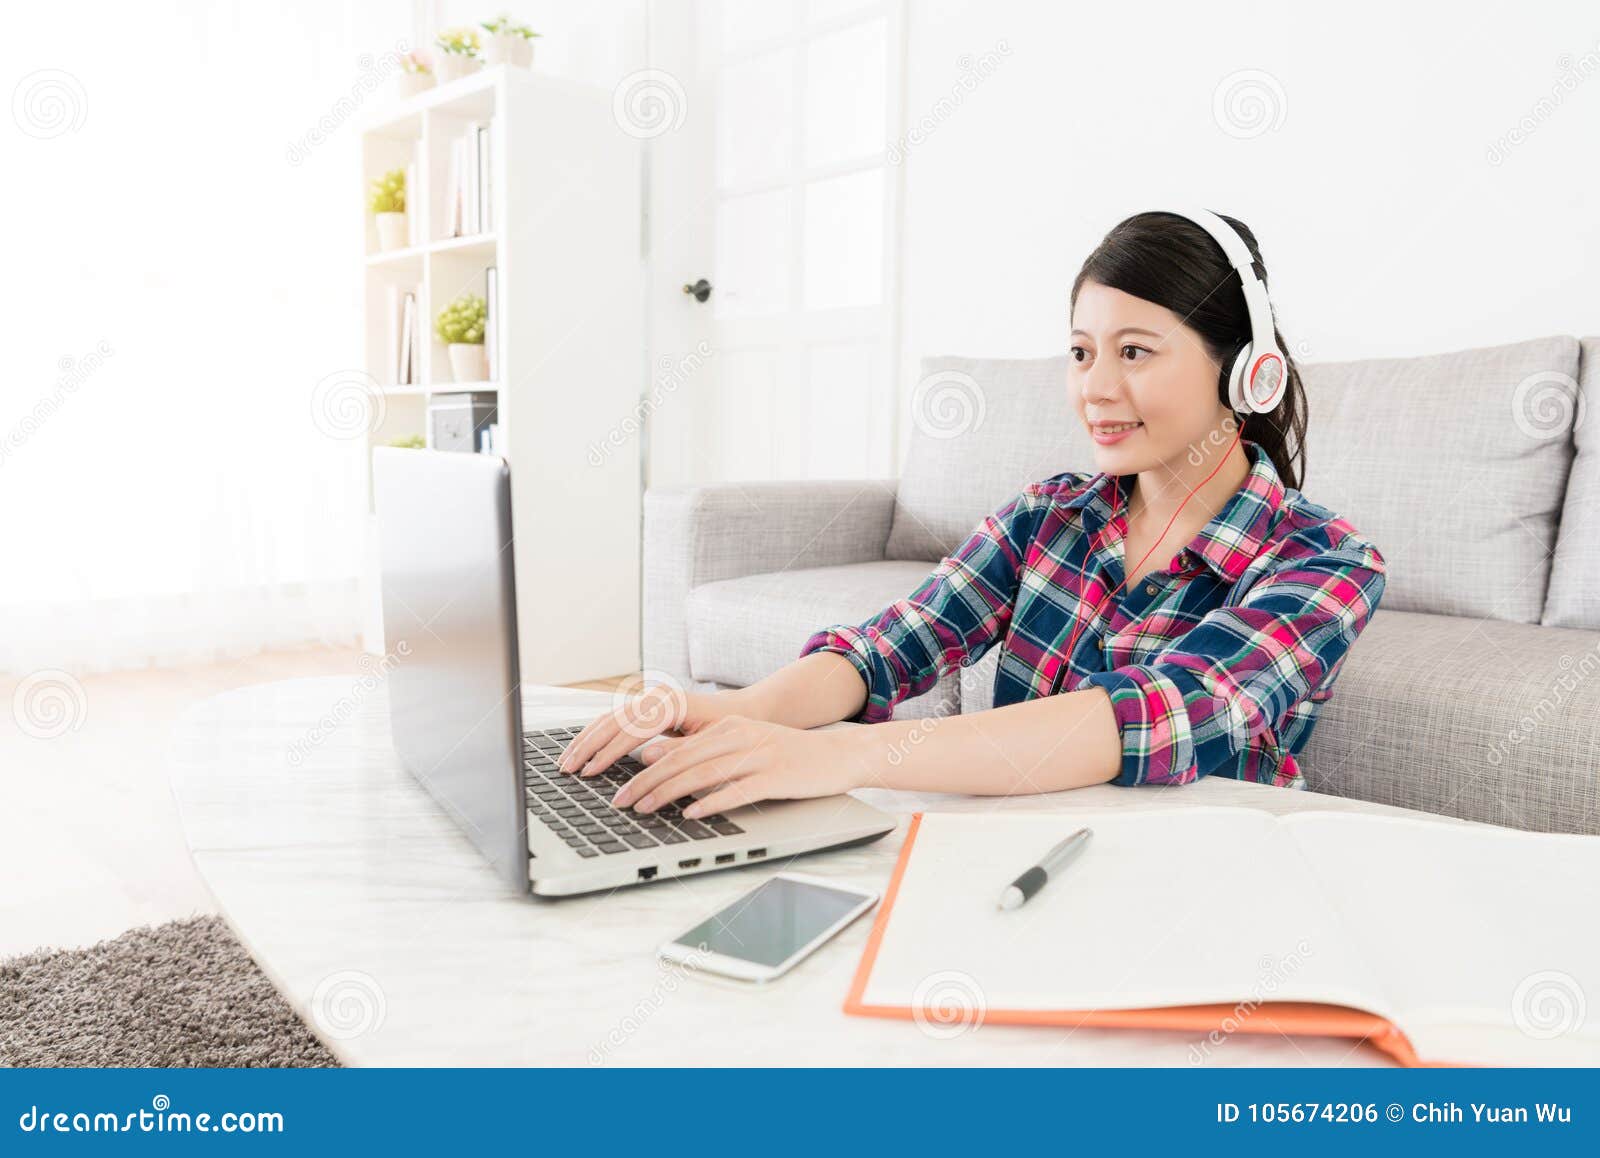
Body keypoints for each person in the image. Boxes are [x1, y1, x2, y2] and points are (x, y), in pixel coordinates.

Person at [561, 209, 1387, 820]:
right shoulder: (1048, 517)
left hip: (1193, 875)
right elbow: (887, 650)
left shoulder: (1326, 564)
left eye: (1134, 351)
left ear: (1249, 372)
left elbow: (1159, 712)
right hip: (1013, 848)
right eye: (1080, 352)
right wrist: (725, 717)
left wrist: (845, 753)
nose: (1094, 388)